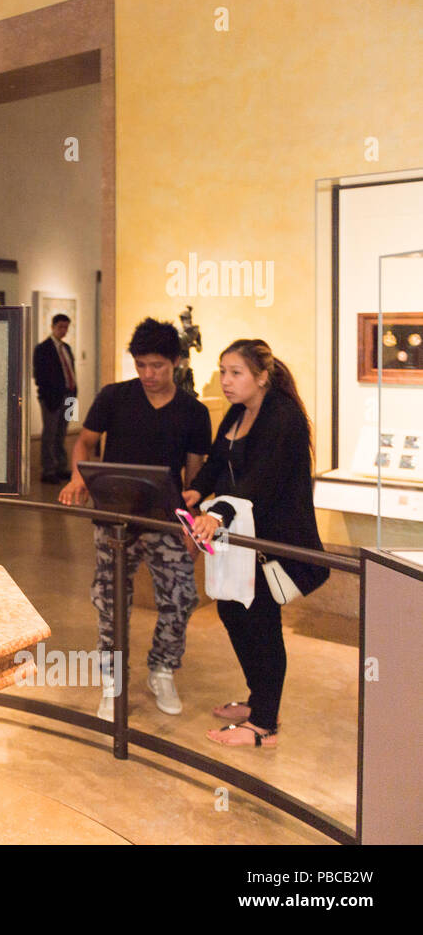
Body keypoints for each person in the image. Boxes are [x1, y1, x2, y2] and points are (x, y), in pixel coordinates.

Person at [60, 318, 212, 721]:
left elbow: (195, 473)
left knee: (180, 599)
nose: (148, 374)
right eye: (141, 365)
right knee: (110, 601)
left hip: (168, 520)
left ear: (176, 362)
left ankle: (162, 669)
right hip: (115, 517)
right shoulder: (114, 397)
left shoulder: (193, 411)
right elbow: (86, 442)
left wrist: (194, 523)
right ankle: (113, 680)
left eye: (158, 365)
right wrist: (79, 476)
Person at [184, 339, 329, 748]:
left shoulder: (283, 418)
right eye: (223, 371)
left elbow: (261, 480)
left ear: (262, 377)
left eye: (235, 373)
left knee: (262, 622)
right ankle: (258, 699)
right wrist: (197, 491)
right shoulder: (235, 412)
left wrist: (217, 514)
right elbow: (217, 463)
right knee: (232, 610)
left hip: (272, 538)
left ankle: (265, 723)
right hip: (239, 537)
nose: (225, 381)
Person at [33, 313, 78, 484]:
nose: (63, 330)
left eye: (66, 327)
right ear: (52, 327)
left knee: (62, 432)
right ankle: (48, 469)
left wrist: (74, 392)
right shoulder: (42, 349)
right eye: (60, 327)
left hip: (69, 396)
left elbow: (71, 371)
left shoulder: (67, 348)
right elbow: (40, 376)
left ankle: (61, 466)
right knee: (50, 434)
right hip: (52, 398)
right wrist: (46, 395)